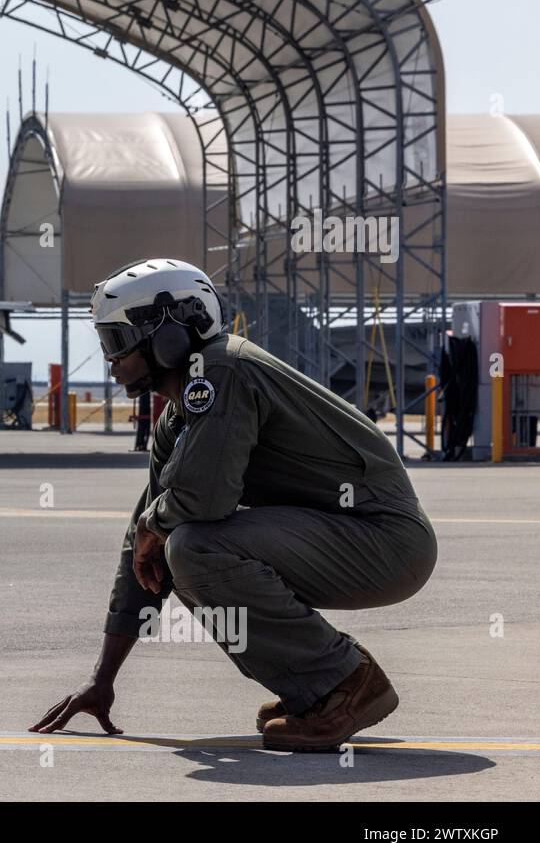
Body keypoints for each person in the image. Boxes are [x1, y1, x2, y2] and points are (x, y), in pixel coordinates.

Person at [30, 258, 437, 751]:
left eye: (117, 343)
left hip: (385, 541)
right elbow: (140, 550)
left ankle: (343, 684)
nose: (111, 363)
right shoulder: (178, 418)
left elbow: (203, 499)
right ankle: (314, 689)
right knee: (174, 550)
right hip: (348, 538)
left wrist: (154, 526)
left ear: (169, 335)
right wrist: (102, 678)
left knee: (193, 547)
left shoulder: (222, 369)